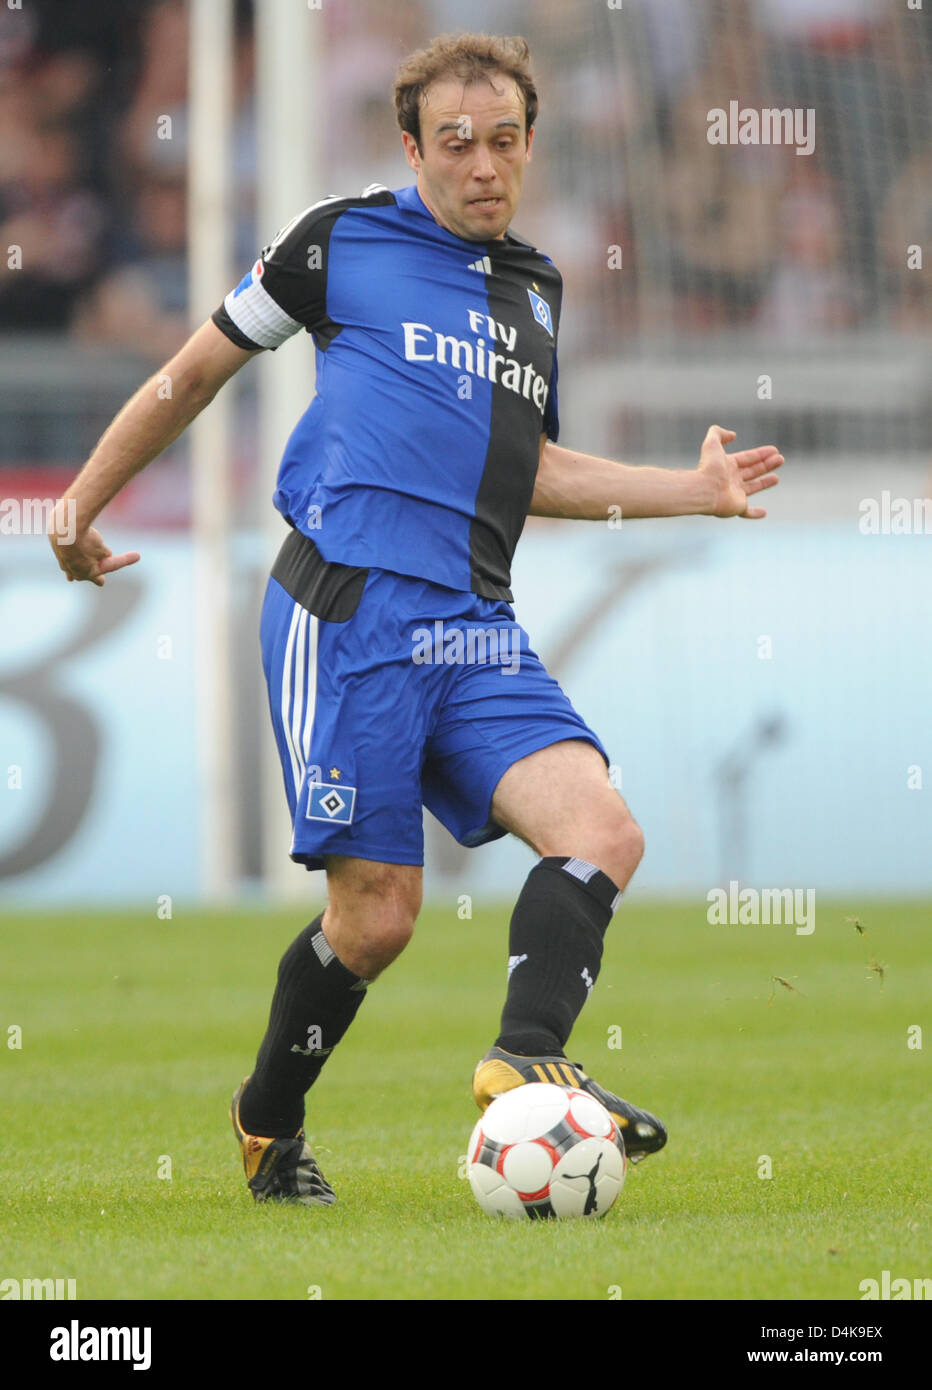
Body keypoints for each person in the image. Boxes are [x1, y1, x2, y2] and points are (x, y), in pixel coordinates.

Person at [49, 32, 782, 1206]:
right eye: (457, 145)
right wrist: (83, 499)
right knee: (376, 918)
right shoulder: (338, 241)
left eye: (504, 142)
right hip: (345, 615)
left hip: (475, 628)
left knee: (602, 832)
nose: (483, 166)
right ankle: (266, 1122)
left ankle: (524, 1055)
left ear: (531, 146)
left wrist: (690, 492)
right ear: (411, 148)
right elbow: (194, 371)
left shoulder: (535, 289)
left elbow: (530, 471)